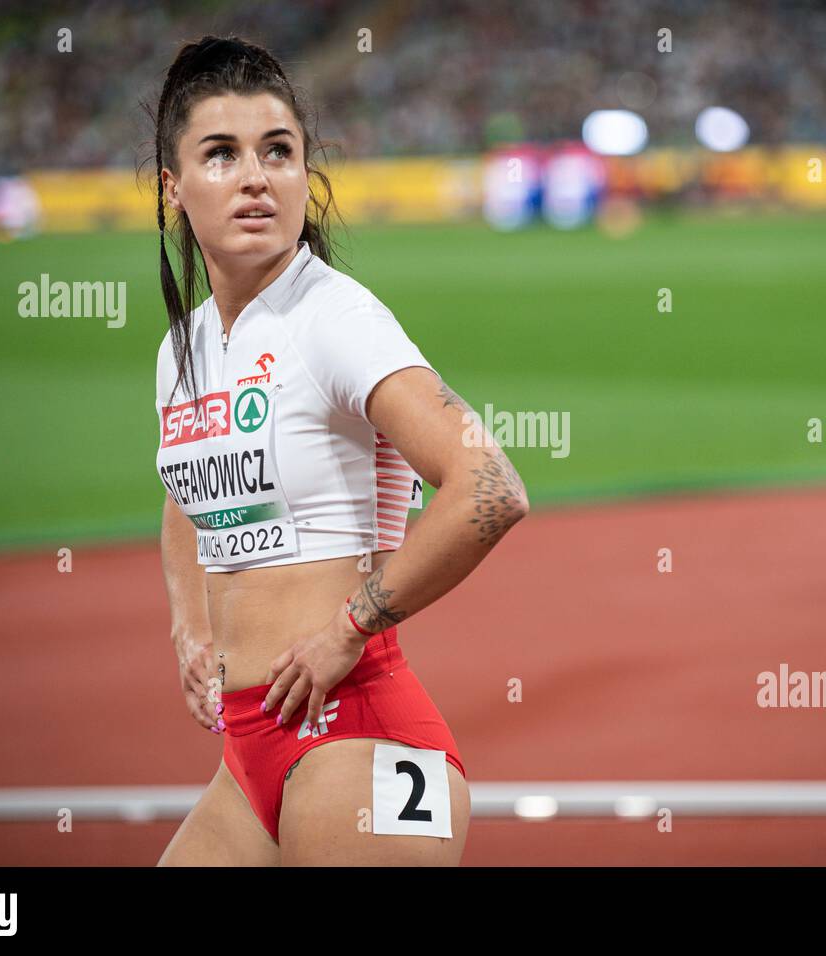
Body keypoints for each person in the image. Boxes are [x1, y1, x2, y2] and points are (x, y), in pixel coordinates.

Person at [149, 36, 529, 866]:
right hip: (247, 752)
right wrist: (187, 627)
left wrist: (352, 626)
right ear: (172, 188)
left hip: (358, 733)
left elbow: (491, 487)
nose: (256, 175)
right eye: (222, 154)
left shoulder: (334, 319)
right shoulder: (184, 350)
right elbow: (186, 492)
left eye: (278, 151)